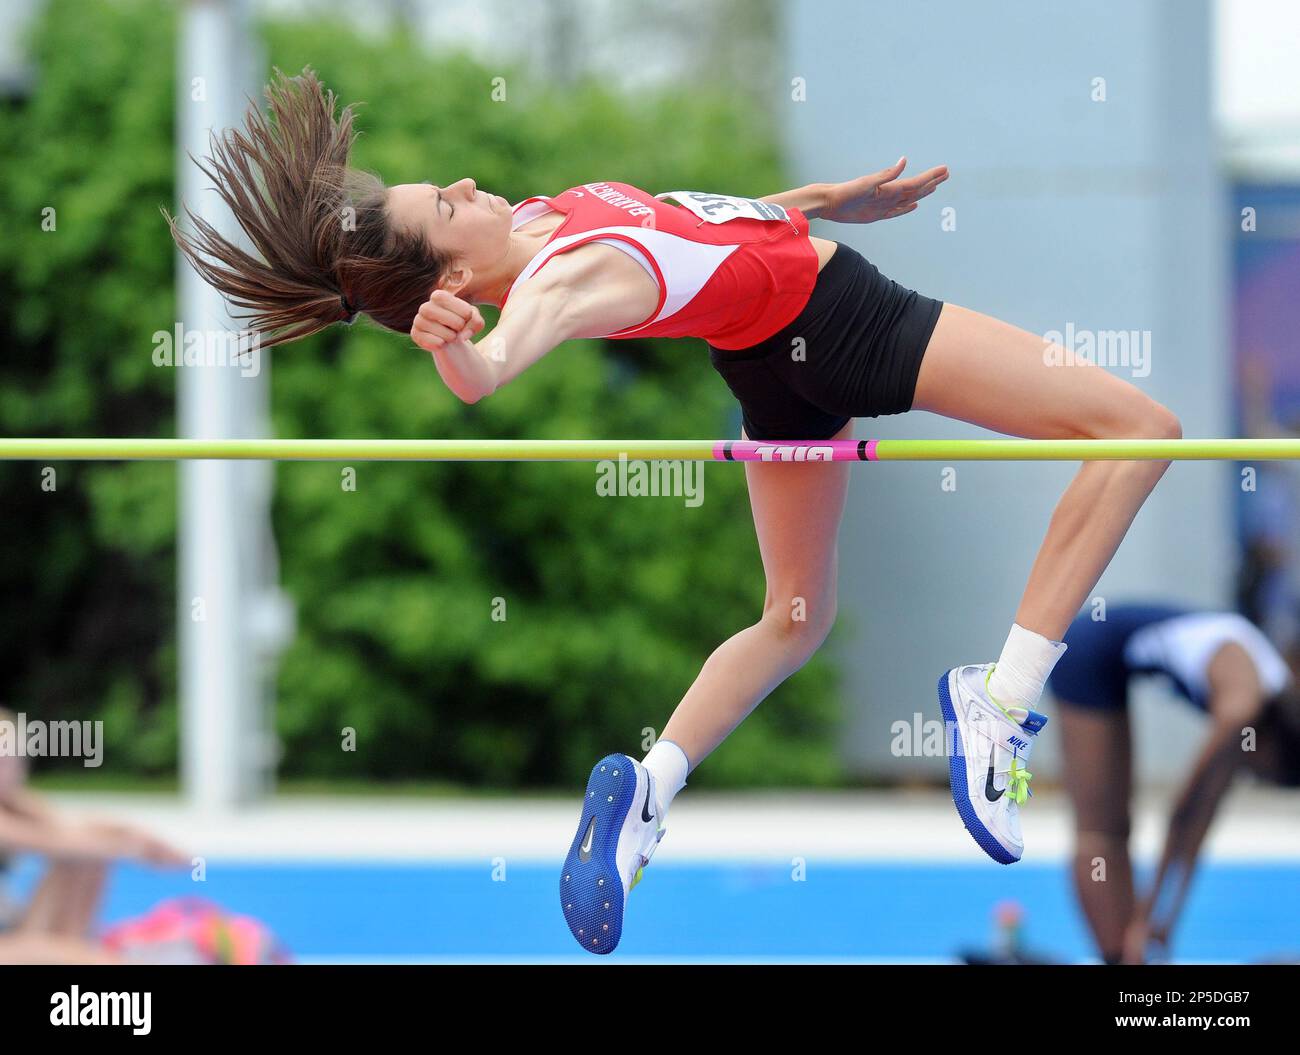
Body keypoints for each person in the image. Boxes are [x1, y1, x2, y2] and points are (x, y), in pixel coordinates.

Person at [170, 69, 1180, 953]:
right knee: (1139, 429)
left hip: (770, 355)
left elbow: (687, 223)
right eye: (448, 202)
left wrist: (818, 201)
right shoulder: (556, 280)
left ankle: (647, 788)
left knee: (792, 616)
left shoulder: (536, 220)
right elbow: (491, 368)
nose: (468, 183)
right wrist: (449, 345)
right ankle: (998, 701)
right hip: (838, 325)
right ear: (456, 275)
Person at [1049, 604, 1300, 964]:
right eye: (1263, 774)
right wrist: (1146, 918)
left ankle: (1127, 953)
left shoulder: (1270, 703)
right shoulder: (1240, 712)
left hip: (1114, 657)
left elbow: (1198, 826)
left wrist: (1165, 920)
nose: (1251, 774)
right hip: (1086, 650)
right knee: (1101, 832)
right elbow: (1183, 814)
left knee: (1115, 831)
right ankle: (1118, 956)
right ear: (1273, 747)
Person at [0, 709, 188, 964]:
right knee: (54, 951)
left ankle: (74, 948)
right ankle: (80, 955)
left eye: (18, 759)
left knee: (87, 860)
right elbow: (58, 842)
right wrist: (136, 847)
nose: (16, 771)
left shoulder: (14, 801)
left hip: (13, 930)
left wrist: (133, 836)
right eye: (5, 760)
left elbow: (74, 830)